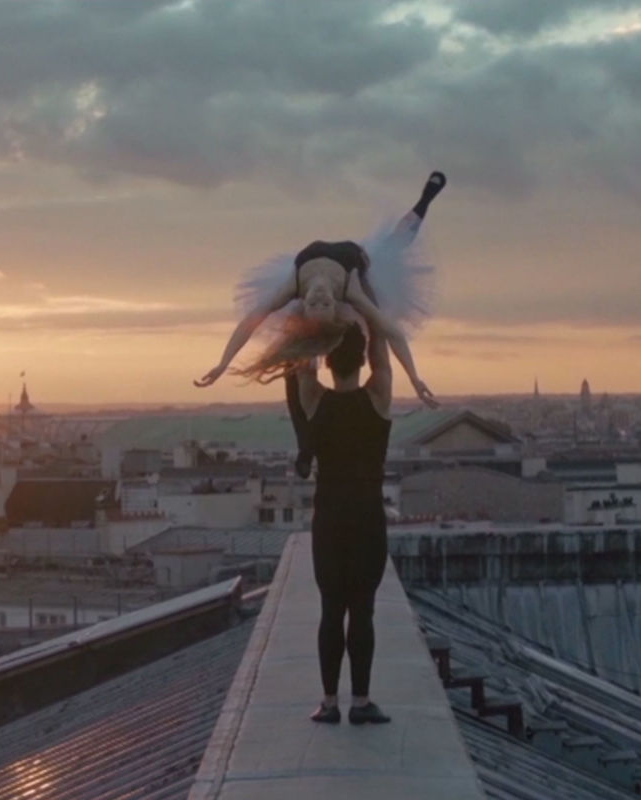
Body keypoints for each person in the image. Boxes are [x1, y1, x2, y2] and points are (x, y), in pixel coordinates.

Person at [194, 172, 447, 475]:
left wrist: (415, 379)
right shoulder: (344, 291)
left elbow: (391, 332)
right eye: (320, 303)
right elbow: (250, 322)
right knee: (298, 363)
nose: (318, 296)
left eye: (317, 302)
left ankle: (424, 200)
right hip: (356, 272)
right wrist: (224, 362)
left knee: (395, 244)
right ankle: (305, 444)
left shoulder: (298, 287)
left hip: (361, 279)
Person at [298, 323, 394, 725]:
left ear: (329, 360)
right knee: (363, 611)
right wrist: (369, 310)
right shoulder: (377, 400)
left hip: (329, 522)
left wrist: (319, 317)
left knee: (330, 610)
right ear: (363, 358)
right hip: (368, 520)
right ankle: (361, 701)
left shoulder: (316, 401)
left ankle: (328, 702)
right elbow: (384, 358)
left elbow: (302, 361)